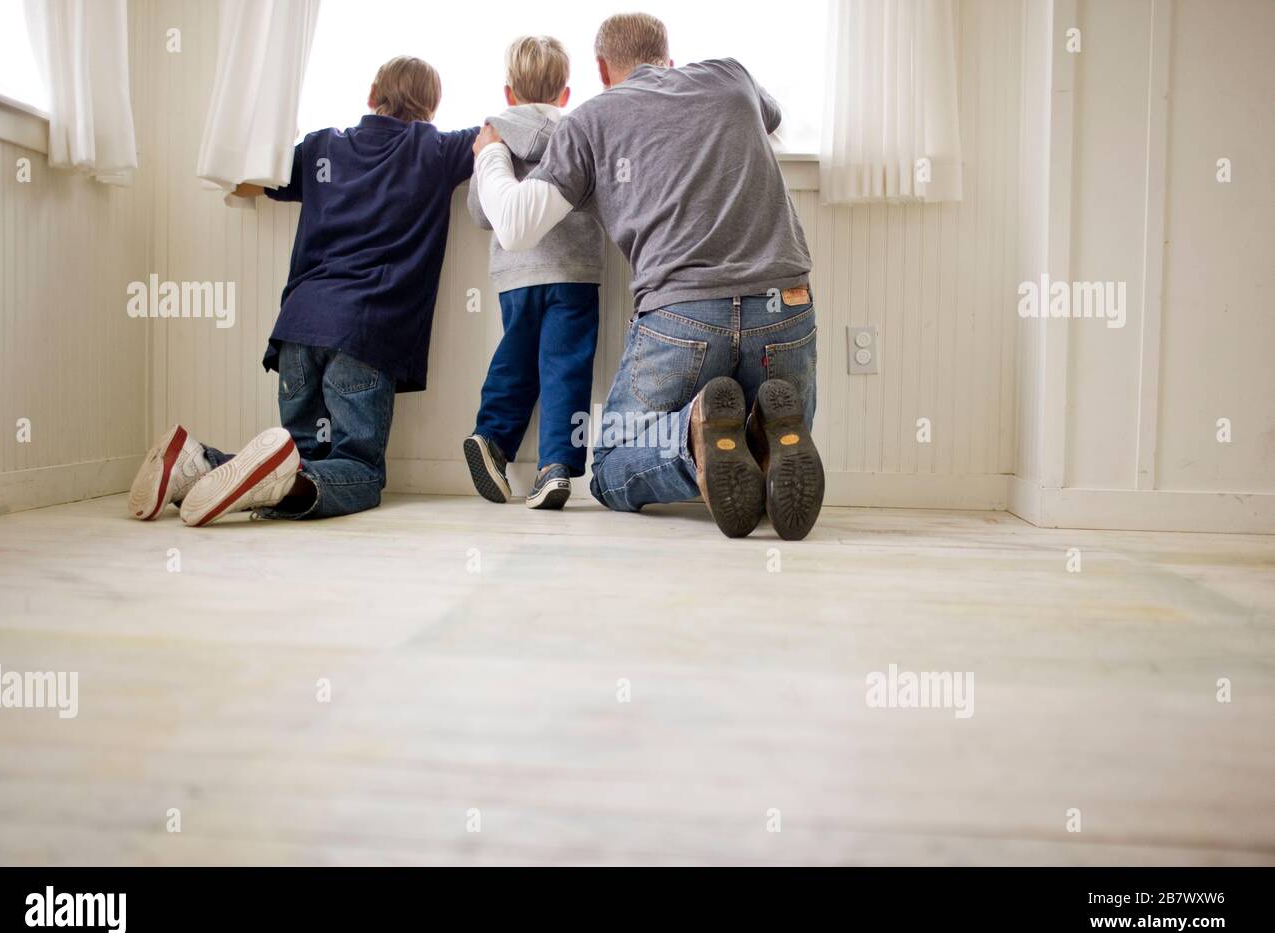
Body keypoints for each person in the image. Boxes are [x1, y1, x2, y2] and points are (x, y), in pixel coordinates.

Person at [472, 13, 825, 539]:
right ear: (669, 56)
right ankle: (764, 443)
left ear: (600, 69)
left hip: (683, 316)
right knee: (762, 434)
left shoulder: (592, 120)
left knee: (610, 467)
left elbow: (517, 225)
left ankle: (694, 442)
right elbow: (771, 121)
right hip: (786, 305)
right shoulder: (731, 75)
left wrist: (491, 154)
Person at [128, 56, 478, 526]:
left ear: (371, 95)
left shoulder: (321, 148)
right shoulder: (435, 150)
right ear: (431, 109)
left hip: (298, 326)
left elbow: (250, 179)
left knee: (301, 453)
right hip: (366, 334)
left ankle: (198, 463)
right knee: (360, 470)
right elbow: (503, 136)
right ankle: (266, 479)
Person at [463, 36, 605, 510]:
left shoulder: (494, 134)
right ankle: (555, 468)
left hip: (516, 274)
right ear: (565, 93)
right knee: (565, 366)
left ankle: (492, 441)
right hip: (574, 272)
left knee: (516, 358)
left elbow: (483, 214)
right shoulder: (578, 131)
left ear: (509, 93)